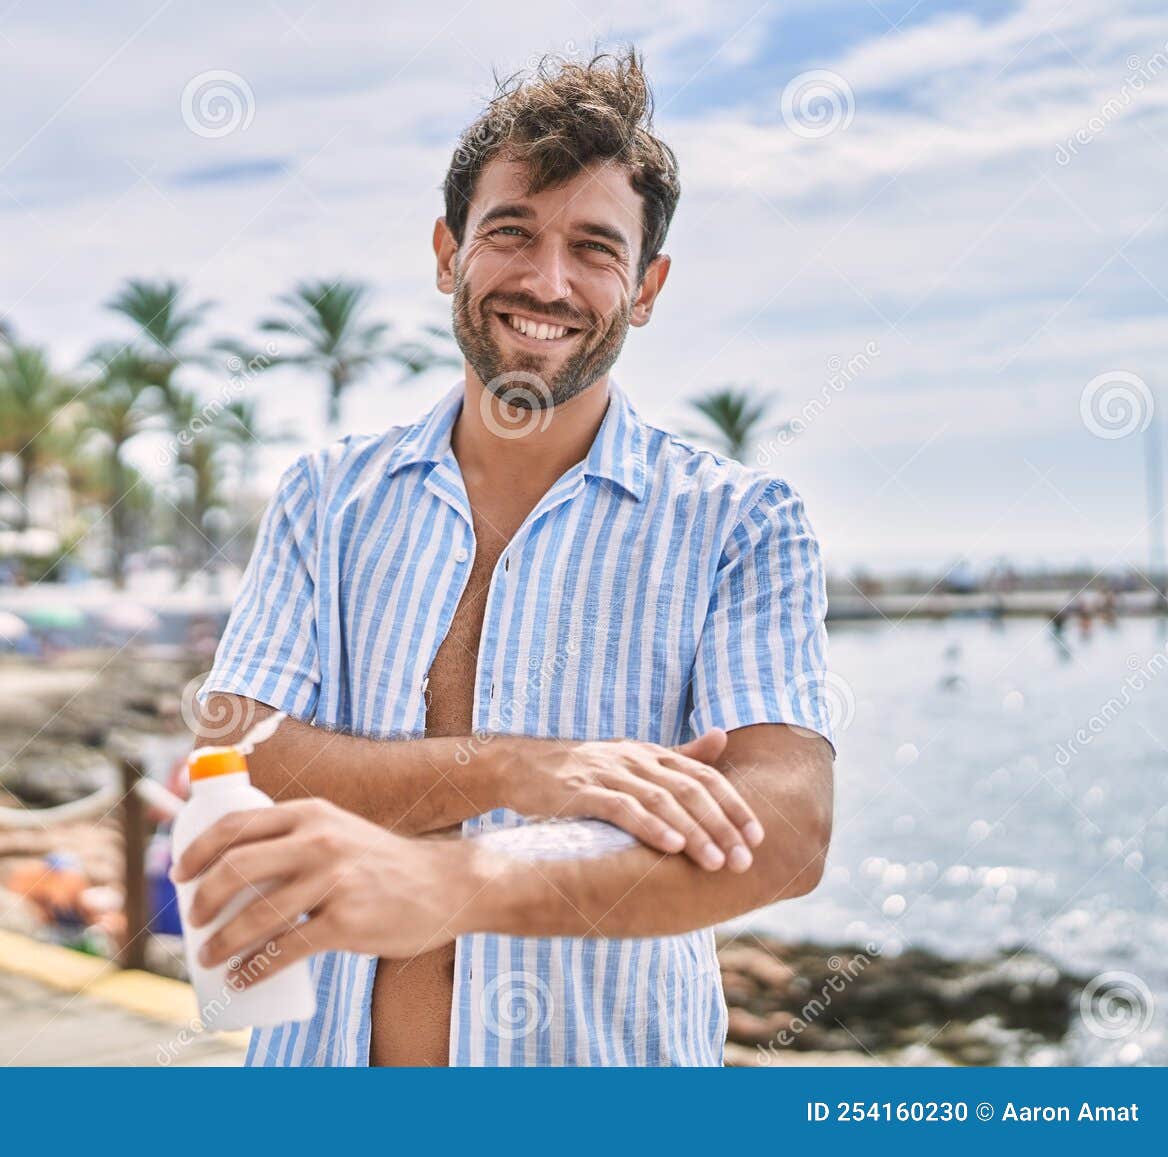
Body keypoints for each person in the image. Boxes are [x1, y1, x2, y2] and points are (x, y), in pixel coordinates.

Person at [177, 49, 835, 1068]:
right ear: (449, 253)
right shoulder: (325, 495)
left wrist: (463, 880)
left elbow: (787, 829)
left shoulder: (740, 523)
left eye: (595, 248)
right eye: (511, 232)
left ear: (647, 286)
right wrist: (522, 771)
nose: (547, 280)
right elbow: (242, 748)